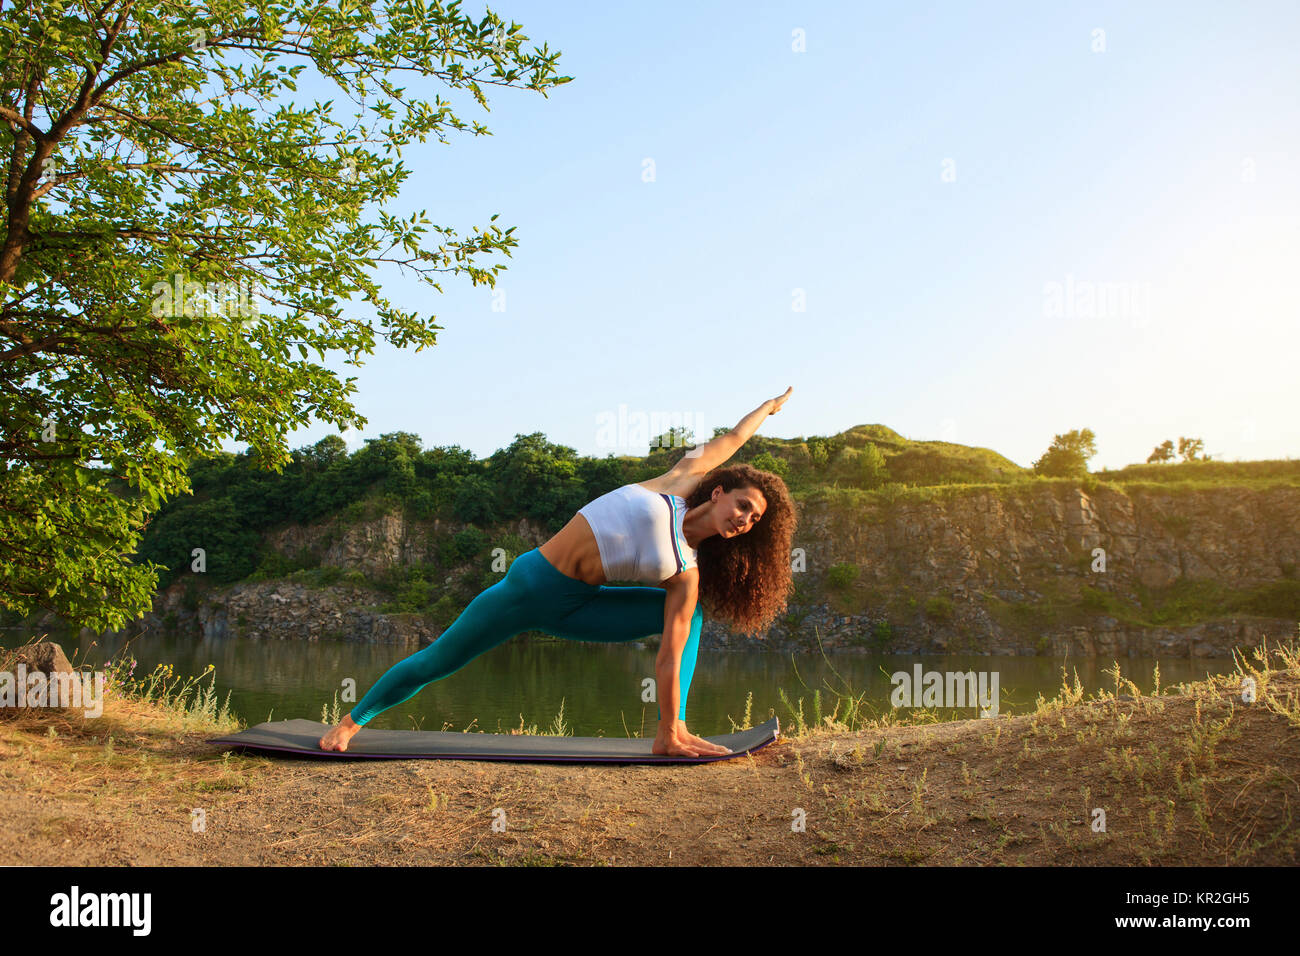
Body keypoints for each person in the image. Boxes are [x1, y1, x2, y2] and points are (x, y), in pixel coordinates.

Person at [318, 387, 797, 757]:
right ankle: (351, 723)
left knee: (689, 620)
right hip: (529, 587)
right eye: (743, 506)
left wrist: (669, 723)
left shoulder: (685, 574)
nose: (744, 519)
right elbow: (733, 439)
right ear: (719, 493)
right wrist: (768, 408)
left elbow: (669, 659)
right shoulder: (677, 482)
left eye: (754, 520)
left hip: (580, 607)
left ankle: (671, 732)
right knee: (439, 660)